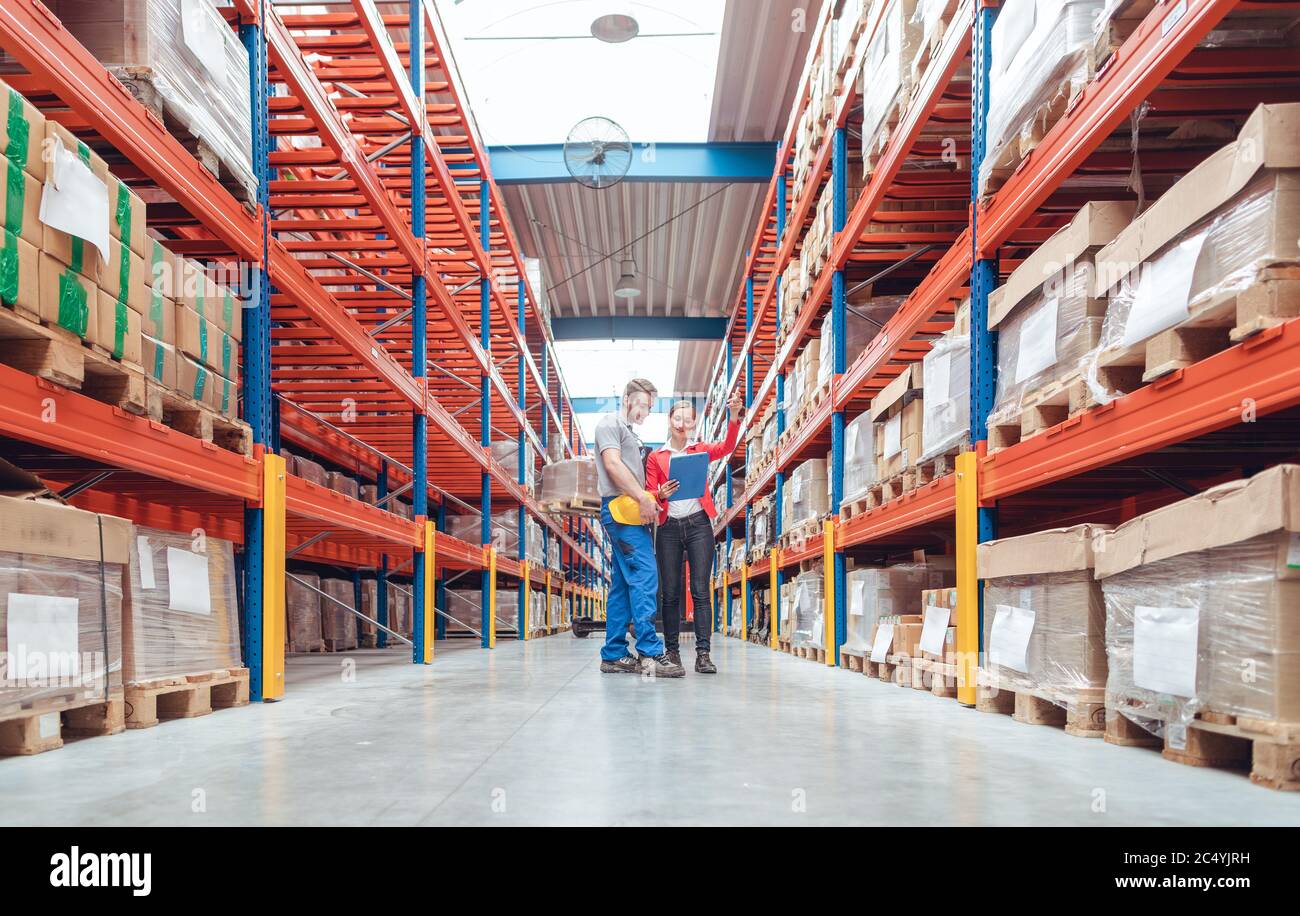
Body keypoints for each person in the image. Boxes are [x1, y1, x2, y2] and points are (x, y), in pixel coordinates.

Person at [644, 388, 742, 674]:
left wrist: (733, 417)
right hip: (669, 528)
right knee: (671, 593)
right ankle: (672, 651)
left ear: (693, 424)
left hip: (699, 524)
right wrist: (659, 493)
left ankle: (703, 654)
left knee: (700, 591)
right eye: (677, 418)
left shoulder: (700, 450)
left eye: (688, 420)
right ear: (670, 421)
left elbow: (727, 446)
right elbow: (650, 492)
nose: (682, 424)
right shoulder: (656, 457)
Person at [594, 378, 685, 678]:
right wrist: (642, 500)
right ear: (629, 399)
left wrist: (655, 496)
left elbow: (631, 476)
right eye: (644, 405)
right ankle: (649, 651)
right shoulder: (610, 424)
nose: (646, 412)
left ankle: (614, 654)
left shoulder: (630, 435)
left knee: (622, 585)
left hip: (630, 511)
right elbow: (613, 466)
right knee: (645, 576)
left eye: (649, 407)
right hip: (622, 513)